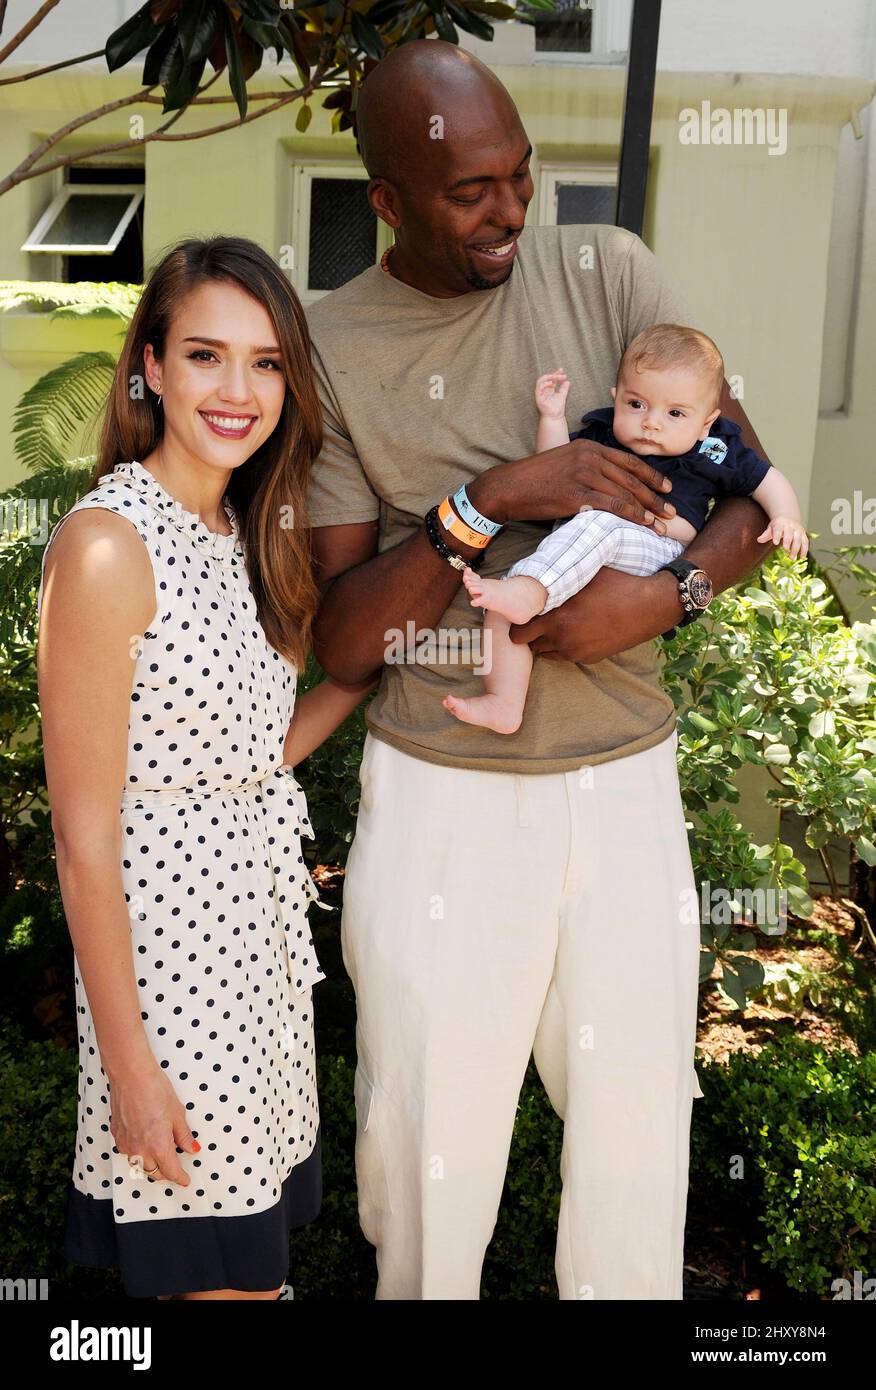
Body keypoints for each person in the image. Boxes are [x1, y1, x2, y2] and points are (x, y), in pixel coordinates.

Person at [305, 40, 777, 1300]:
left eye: (521, 175)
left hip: (627, 786)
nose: (511, 210)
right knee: (424, 1157)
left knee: (637, 1140)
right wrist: (493, 496)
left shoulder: (607, 268)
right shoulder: (327, 341)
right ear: (389, 201)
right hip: (444, 795)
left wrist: (661, 599)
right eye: (470, 192)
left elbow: (754, 504)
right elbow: (345, 634)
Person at [37, 236, 375, 1301]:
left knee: (251, 1276)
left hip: (262, 963)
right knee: (217, 1282)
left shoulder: (242, 528)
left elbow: (245, 756)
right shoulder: (105, 546)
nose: (239, 390)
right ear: (149, 366)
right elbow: (82, 840)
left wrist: (365, 679)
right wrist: (131, 1069)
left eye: (267, 361)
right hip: (169, 987)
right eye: (205, 356)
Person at [445, 324, 807, 732]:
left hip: (654, 545)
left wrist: (786, 516)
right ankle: (503, 703)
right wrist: (552, 417)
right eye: (637, 405)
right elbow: (554, 471)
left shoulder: (715, 448)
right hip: (576, 551)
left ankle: (529, 591)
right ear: (616, 399)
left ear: (706, 423)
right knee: (501, 602)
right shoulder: (601, 436)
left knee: (600, 526)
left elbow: (765, 479)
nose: (651, 423)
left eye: (674, 414)